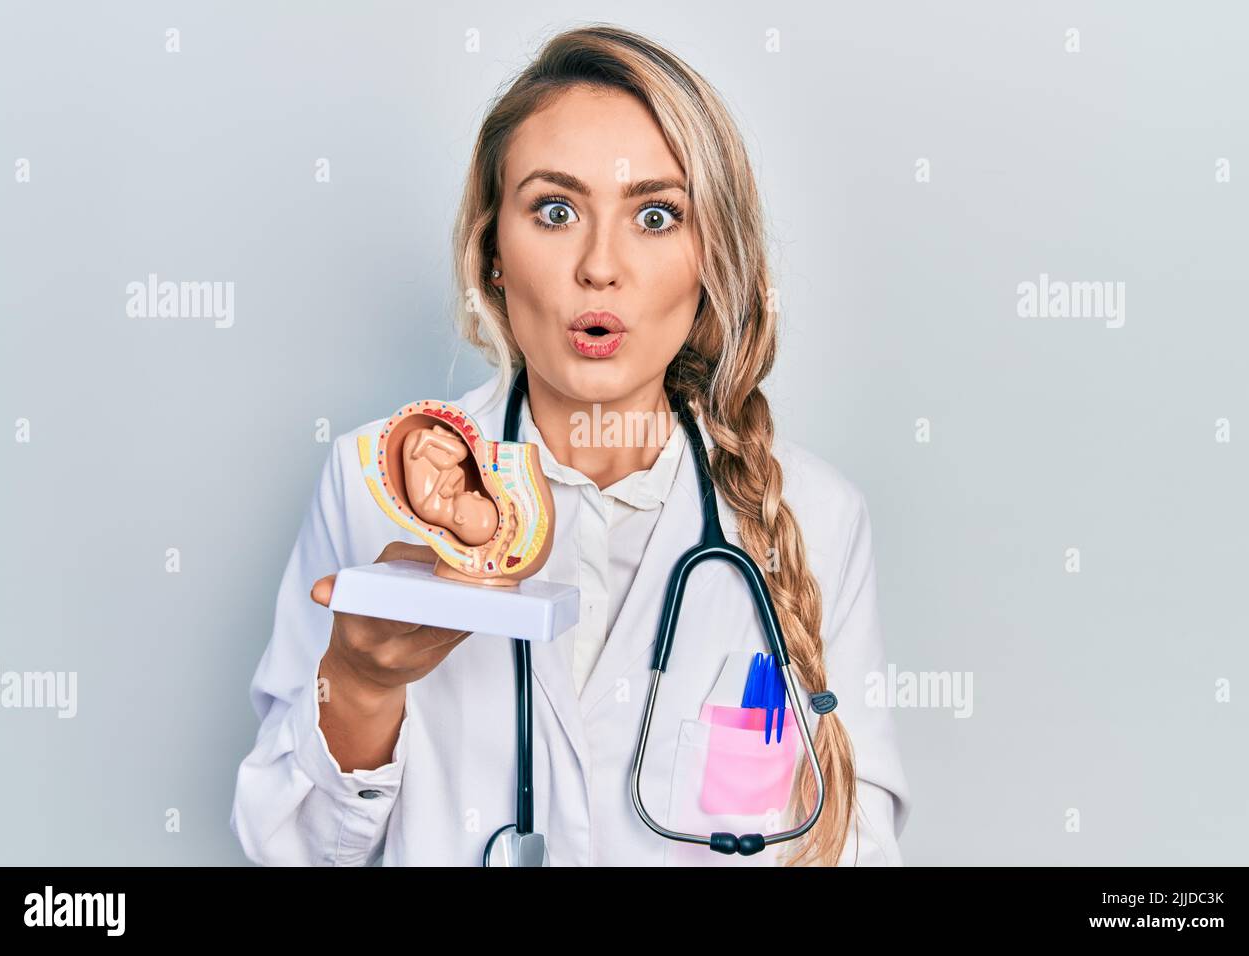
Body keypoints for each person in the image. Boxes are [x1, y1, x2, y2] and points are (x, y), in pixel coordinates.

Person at [230, 23, 910, 866]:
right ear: (493, 255)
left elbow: (857, 848)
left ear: (712, 260)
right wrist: (364, 687)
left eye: (655, 216)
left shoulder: (817, 516)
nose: (600, 266)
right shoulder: (375, 480)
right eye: (556, 211)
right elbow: (288, 846)